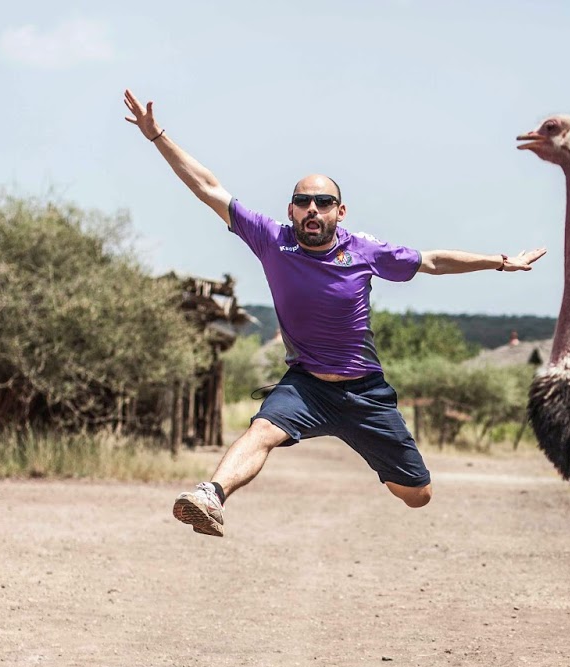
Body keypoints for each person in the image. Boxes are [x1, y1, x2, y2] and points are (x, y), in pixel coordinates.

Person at [123, 90, 546, 537]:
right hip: (306, 385)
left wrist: (500, 261)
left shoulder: (364, 251)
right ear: (291, 209)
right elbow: (209, 188)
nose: (312, 209)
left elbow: (434, 261)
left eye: (323, 202)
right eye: (303, 201)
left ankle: (382, 460)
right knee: (264, 429)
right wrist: (158, 137)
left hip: (365, 393)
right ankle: (211, 495)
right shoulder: (271, 239)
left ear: (339, 212)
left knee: (417, 494)